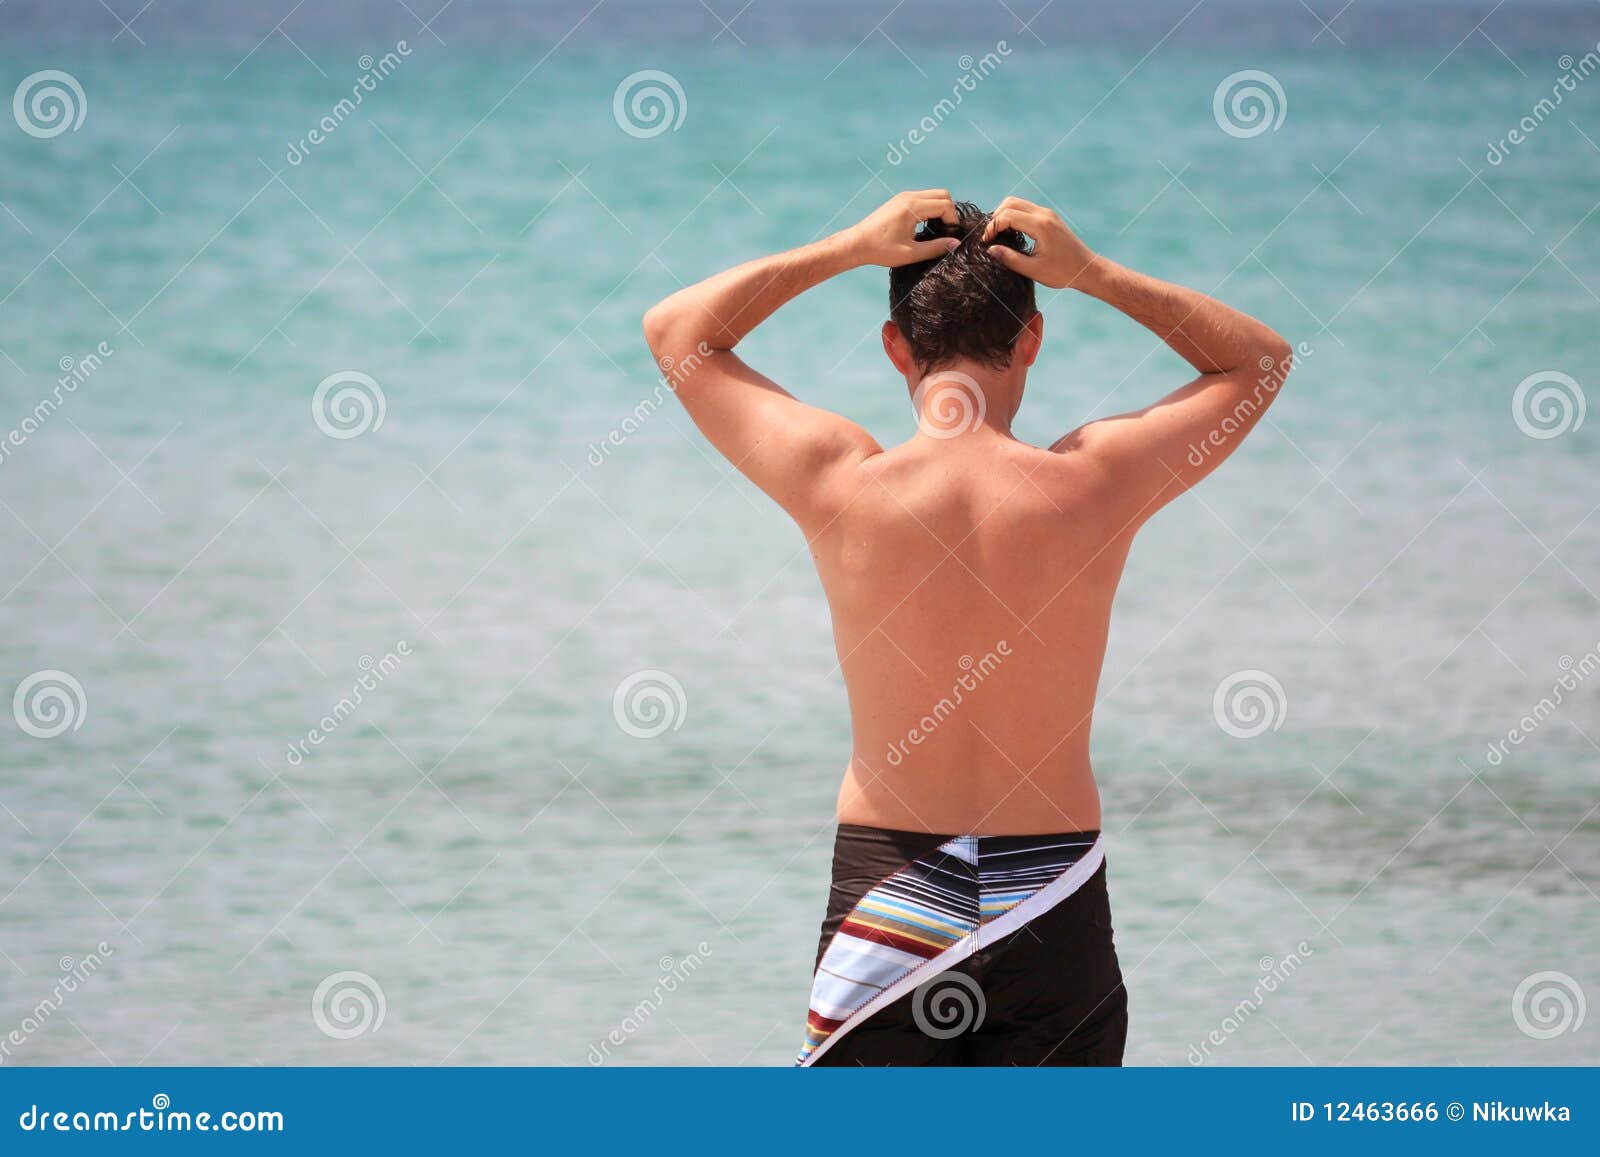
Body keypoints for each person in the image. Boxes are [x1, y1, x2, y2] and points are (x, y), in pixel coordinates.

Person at [641, 191, 1292, 1066]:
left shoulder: (841, 483)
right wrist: (1092, 273)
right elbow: (1258, 363)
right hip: (1049, 891)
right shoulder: (1094, 484)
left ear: (894, 347)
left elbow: (677, 334)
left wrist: (847, 247)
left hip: (892, 893)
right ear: (1031, 341)